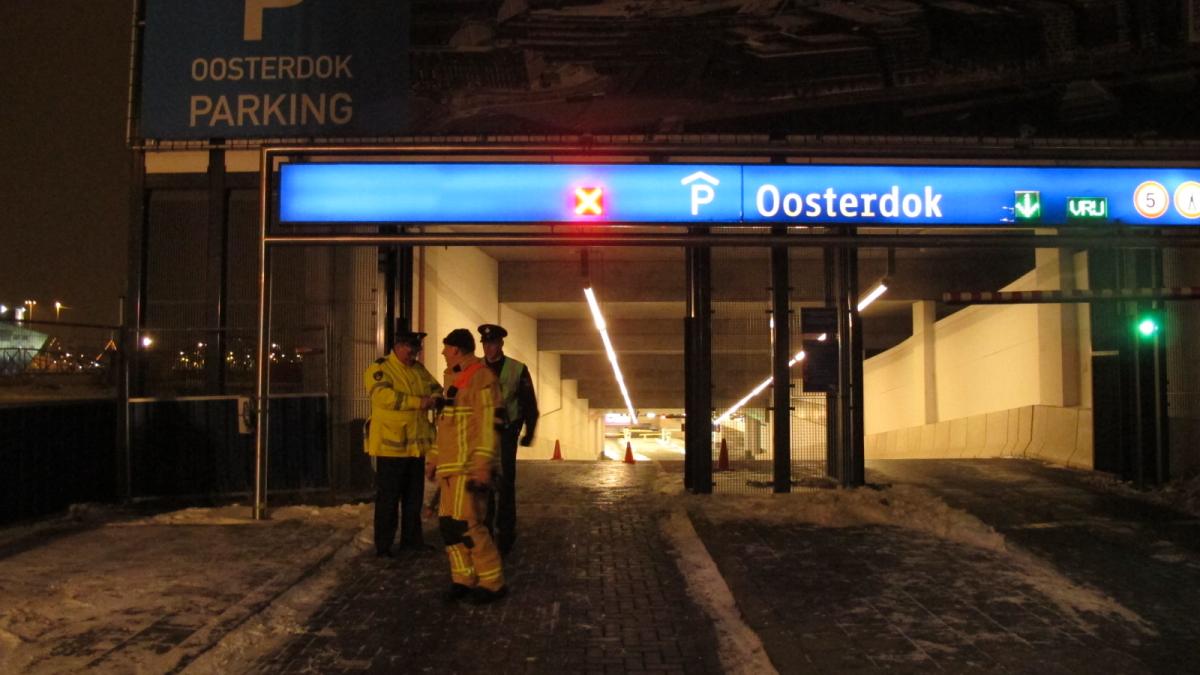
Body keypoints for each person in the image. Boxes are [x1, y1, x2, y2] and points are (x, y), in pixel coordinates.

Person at [426, 328, 507, 603]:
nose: (442, 352)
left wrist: (483, 465)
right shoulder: (454, 380)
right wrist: (434, 459)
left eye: (445, 347)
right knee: (450, 528)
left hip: (468, 467)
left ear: (457, 350)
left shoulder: (482, 378)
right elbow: (446, 428)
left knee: (469, 526)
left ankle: (493, 582)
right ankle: (463, 578)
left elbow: (488, 426)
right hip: (450, 468)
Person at [363, 327, 442, 558]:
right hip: (391, 447)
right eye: (410, 349)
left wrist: (434, 399)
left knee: (413, 498)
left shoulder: (418, 370)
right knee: (388, 499)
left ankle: (412, 540)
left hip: (415, 447)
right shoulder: (380, 369)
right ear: (397, 347)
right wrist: (419, 402)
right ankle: (384, 546)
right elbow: (382, 396)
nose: (414, 354)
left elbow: (436, 388)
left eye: (416, 350)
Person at [478, 323, 539, 555]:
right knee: (483, 481)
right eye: (485, 344)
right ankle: (485, 530)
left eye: (492, 343)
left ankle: (506, 532)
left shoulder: (517, 369)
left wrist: (528, 432)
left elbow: (529, 404)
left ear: (501, 344)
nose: (488, 348)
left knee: (504, 483)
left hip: (505, 433)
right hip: (480, 434)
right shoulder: (474, 368)